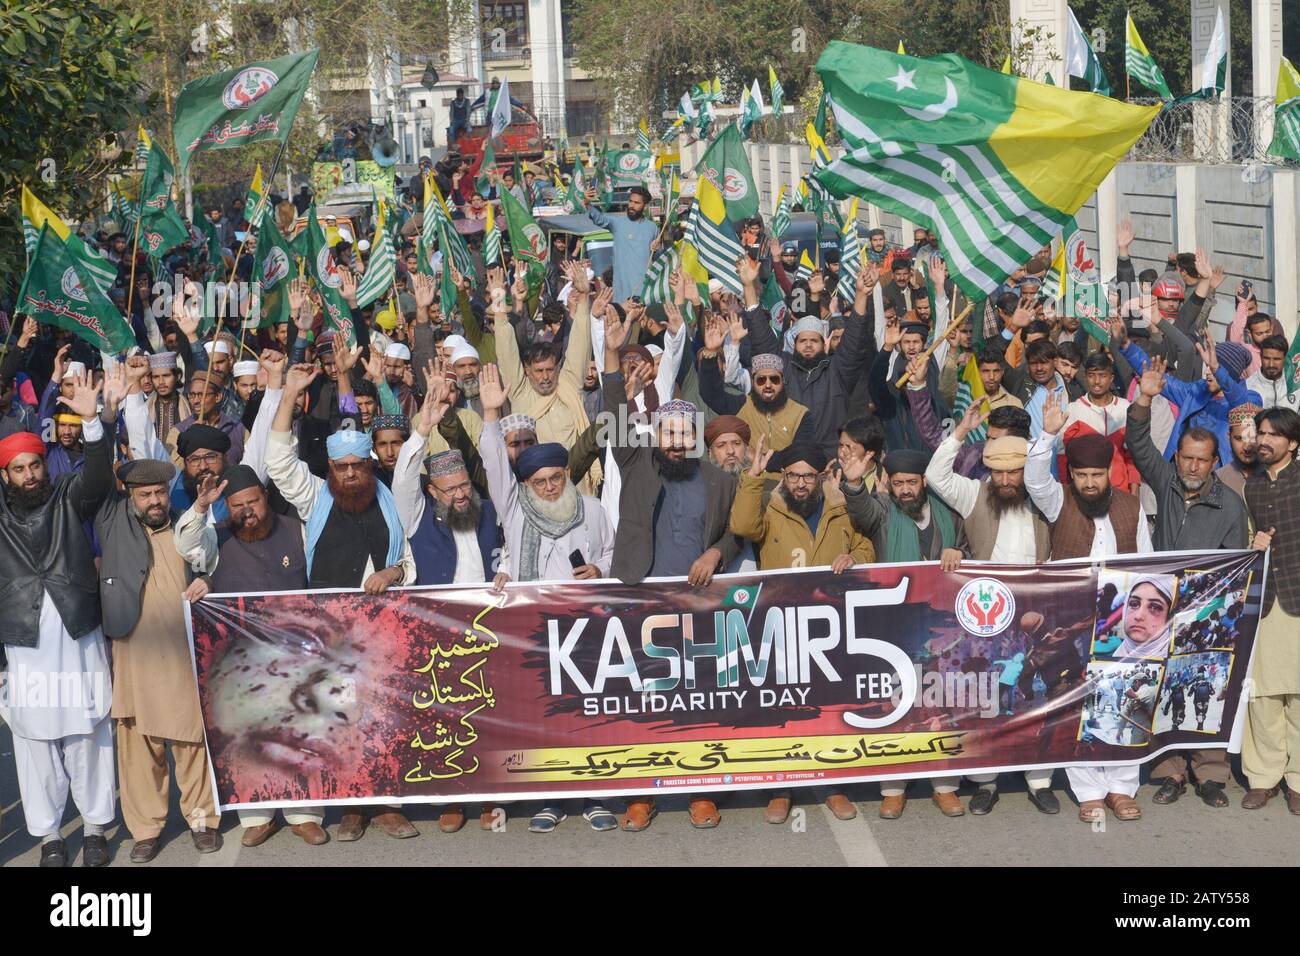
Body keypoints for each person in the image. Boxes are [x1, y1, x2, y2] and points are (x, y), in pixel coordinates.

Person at [266, 363, 419, 842]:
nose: (351, 475)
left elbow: (408, 561)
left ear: (369, 465)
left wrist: (392, 572)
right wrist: (290, 393)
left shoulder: (388, 500)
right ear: (329, 469)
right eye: (342, 468)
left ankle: (387, 804)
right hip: (330, 632)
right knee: (343, 717)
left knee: (383, 715)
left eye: (358, 466)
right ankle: (353, 806)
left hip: (383, 628)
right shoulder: (316, 497)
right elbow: (278, 462)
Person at [174, 464, 330, 847]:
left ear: (265, 498)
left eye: (253, 501)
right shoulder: (218, 537)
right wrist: (200, 507)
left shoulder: (298, 530)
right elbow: (186, 546)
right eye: (238, 505)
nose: (247, 510)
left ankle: (304, 814)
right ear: (228, 507)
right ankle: (258, 815)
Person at [0, 369, 116, 867]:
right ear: (5, 474)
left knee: (86, 735)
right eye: (19, 469)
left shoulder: (70, 495)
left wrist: (92, 421)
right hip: (23, 645)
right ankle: (49, 836)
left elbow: (96, 475)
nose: (29, 475)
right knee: (35, 744)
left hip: (76, 635)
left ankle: (93, 828)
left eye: (34, 466)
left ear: (45, 464)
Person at [921, 401, 1059, 815]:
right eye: (997, 471)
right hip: (988, 617)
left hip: (1037, 611)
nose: (1004, 480)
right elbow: (935, 476)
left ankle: (1040, 781)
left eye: (1012, 472)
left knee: (1038, 693)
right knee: (988, 697)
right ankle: (987, 781)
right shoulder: (975, 494)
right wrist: (960, 433)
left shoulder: (1046, 499)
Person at [731, 440, 873, 824]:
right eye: (793, 475)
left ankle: (833, 785)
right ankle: (781, 787)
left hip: (830, 626)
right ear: (785, 477)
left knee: (829, 705)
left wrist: (854, 557)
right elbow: (742, 526)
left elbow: (865, 546)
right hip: (779, 624)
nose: (800, 483)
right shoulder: (771, 506)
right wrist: (755, 477)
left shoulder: (841, 508)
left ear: (820, 477)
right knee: (783, 708)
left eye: (808, 476)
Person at [1027, 393, 1153, 823]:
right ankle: (1088, 791)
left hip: (1123, 624)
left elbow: (1147, 564)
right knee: (1077, 706)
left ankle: (1121, 787)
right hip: (1073, 623)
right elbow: (1034, 481)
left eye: (1097, 474)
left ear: (1110, 472)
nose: (1089, 483)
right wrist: (1046, 434)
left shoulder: (1131, 506)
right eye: (1081, 475)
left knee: (1125, 703)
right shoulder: (1059, 500)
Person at [96, 453, 223, 862]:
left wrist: (207, 580)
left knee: (191, 737)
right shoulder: (113, 524)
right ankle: (146, 829)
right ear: (129, 496)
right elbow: (98, 480)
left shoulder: (189, 524)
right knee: (138, 743)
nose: (154, 501)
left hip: (180, 650)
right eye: (145, 494)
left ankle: (202, 818)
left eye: (160, 492)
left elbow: (213, 564)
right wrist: (103, 423)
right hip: (133, 650)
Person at [840, 446, 968, 818]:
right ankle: (893, 787)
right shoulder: (883, 512)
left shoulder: (949, 514)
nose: (906, 490)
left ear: (924, 482)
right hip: (894, 625)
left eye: (912, 483)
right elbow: (860, 509)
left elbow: (968, 553)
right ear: (890, 485)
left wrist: (957, 551)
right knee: (896, 703)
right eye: (898, 484)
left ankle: (944, 786)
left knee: (943, 703)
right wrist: (852, 482)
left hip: (943, 626)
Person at [1242, 407, 1300, 813]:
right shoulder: (1253, 487)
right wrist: (1254, 545)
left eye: (1273, 435)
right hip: (1266, 602)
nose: (1264, 440)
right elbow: (1249, 538)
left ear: (1293, 443)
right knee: (1261, 696)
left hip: (1298, 598)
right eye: (1261, 433)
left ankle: (1298, 781)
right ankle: (1263, 777)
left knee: (1299, 696)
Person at [584, 184, 659, 303]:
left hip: (644, 289)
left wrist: (656, 248)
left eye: (637, 203)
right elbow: (599, 219)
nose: (632, 206)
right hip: (622, 289)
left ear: (645, 206)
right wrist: (587, 203)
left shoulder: (652, 228)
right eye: (630, 201)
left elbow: (658, 256)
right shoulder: (617, 222)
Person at [1217, 402, 1260, 499]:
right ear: (1229, 437)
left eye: (1253, 438)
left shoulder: (1277, 476)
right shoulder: (1218, 479)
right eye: (1239, 438)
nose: (1247, 447)